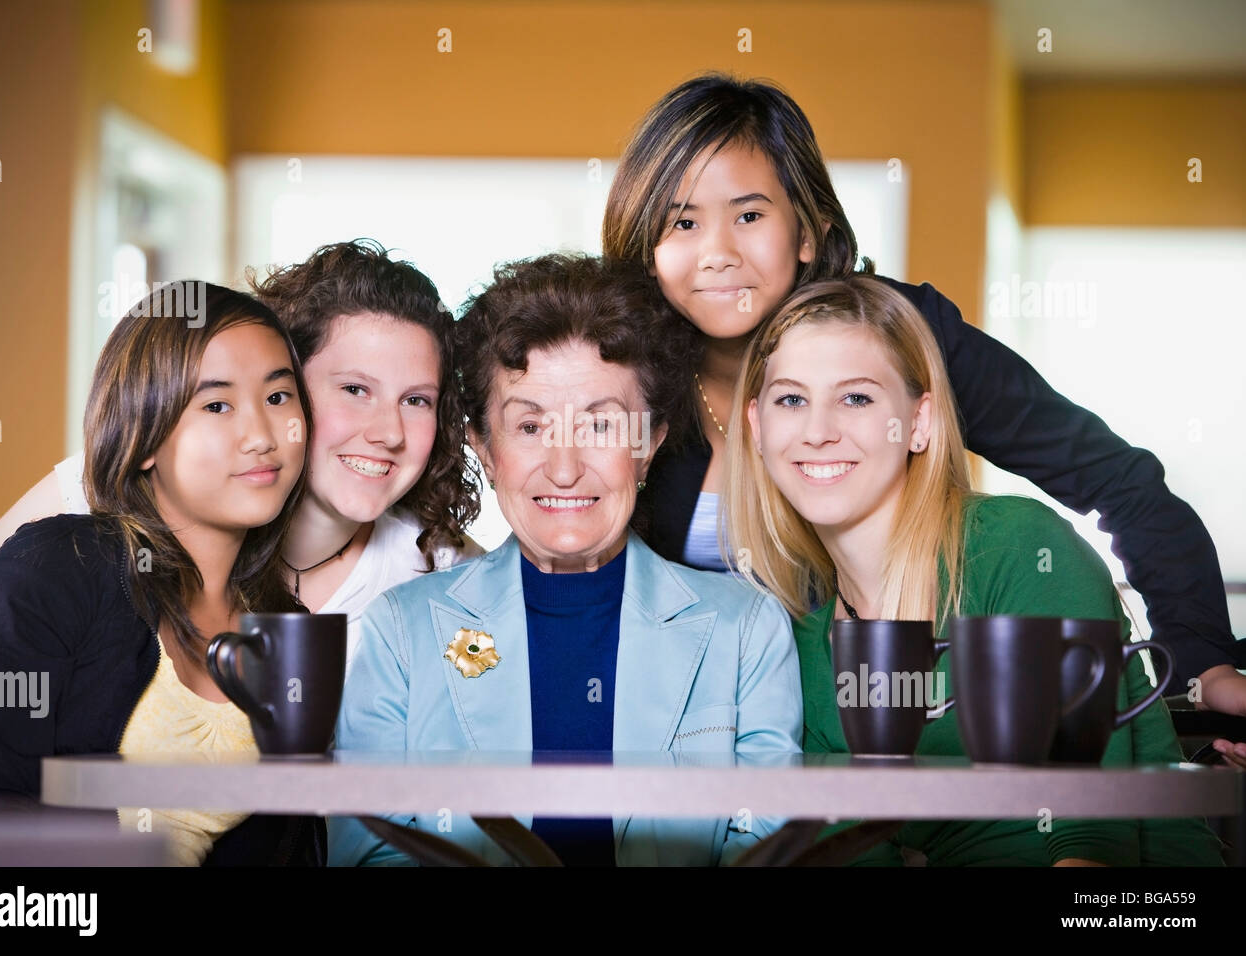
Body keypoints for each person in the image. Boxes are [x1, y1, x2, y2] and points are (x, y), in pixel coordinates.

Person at [601, 73, 1246, 765]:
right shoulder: (623, 370)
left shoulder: (897, 338)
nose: (718, 251)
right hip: (687, 745)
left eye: (750, 215)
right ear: (647, 245)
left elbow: (1118, 480)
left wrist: (1203, 664)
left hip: (874, 739)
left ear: (809, 234)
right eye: (683, 221)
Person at [725, 274, 1224, 866]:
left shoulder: (1017, 548)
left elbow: (1088, 848)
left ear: (920, 421)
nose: (818, 431)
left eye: (856, 397)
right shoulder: (798, 646)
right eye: (791, 399)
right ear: (757, 427)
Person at [329, 254, 802, 866]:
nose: (563, 467)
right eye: (529, 427)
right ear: (485, 448)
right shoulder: (402, 631)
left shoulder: (748, 631)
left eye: (601, 425)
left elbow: (765, 851)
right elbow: (366, 855)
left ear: (650, 443)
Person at [0, 240, 483, 669]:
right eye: (354, 390)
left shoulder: (444, 571)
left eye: (416, 400)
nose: (387, 431)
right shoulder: (113, 490)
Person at [0, 281, 325, 865]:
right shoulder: (52, 571)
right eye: (216, 405)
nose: (261, 437)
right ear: (145, 434)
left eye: (278, 398)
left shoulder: (287, 628)